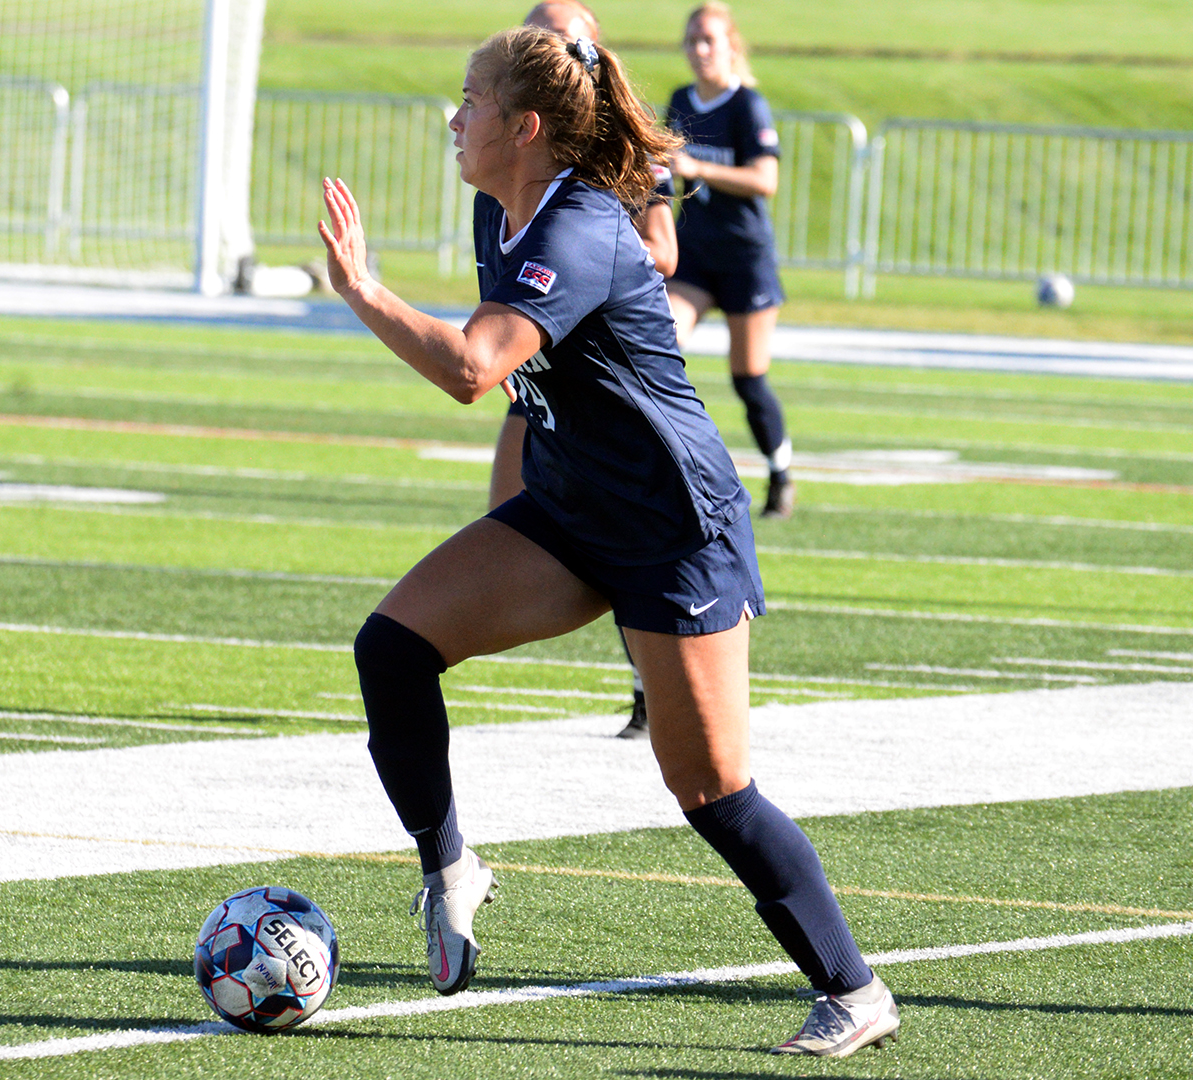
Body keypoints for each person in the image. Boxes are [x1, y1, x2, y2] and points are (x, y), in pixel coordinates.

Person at [317, 26, 899, 1058]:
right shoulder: (500, 209)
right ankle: (451, 869)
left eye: (470, 101)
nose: (453, 117)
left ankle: (854, 991)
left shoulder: (581, 226)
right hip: (572, 511)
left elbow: (473, 369)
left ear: (524, 127)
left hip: (673, 528)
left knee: (711, 791)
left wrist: (364, 290)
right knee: (392, 648)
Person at [494, 1, 678, 741]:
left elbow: (663, 252)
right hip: (539, 364)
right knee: (510, 521)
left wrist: (588, 258)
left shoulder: (621, 150)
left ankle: (648, 674)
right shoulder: (509, 155)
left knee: (615, 533)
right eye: (531, 30)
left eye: (556, 34)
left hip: (598, 369)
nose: (541, 42)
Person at [665, 2, 796, 521]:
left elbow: (766, 180)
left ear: (730, 46)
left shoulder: (747, 105)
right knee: (660, 348)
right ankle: (673, 472)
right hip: (693, 257)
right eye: (692, 40)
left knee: (748, 379)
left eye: (709, 40)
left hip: (744, 258)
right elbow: (665, 168)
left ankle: (780, 472)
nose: (699, 50)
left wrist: (698, 168)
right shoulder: (681, 101)